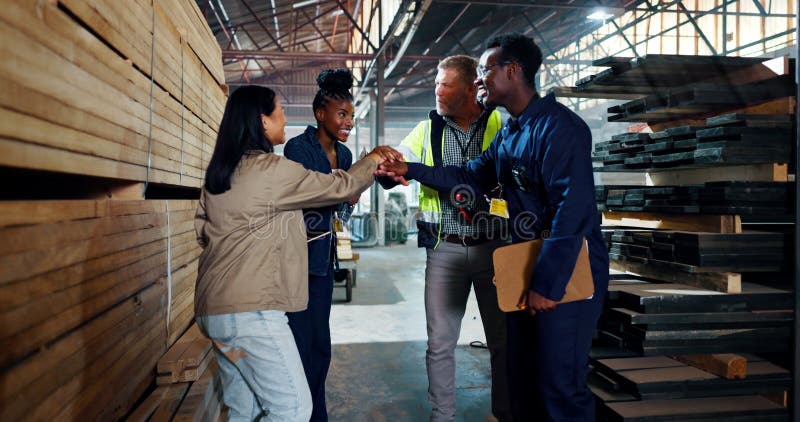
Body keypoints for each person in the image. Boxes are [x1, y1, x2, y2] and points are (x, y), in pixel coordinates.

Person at [376, 34, 609, 421]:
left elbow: (573, 211)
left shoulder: (559, 128)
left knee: (559, 386)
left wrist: (546, 284)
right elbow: (468, 175)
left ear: (512, 71)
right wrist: (410, 169)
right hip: (524, 264)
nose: (479, 80)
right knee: (523, 378)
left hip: (565, 273)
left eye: (485, 71)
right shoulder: (511, 133)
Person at [194, 85, 401, 422]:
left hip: (213, 310)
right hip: (253, 311)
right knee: (293, 409)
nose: (285, 119)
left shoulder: (219, 174)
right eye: (280, 112)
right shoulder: (270, 169)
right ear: (263, 121)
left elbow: (203, 233)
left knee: (244, 411)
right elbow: (339, 187)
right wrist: (374, 158)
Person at [379, 55, 510, 422]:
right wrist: (385, 169)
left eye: (445, 84)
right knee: (439, 343)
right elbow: (397, 165)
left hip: (494, 250)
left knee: (503, 342)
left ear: (470, 89)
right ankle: (442, 417)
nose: (436, 90)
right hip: (444, 249)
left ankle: (505, 414)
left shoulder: (500, 124)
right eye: (436, 83)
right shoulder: (427, 130)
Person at [282, 68, 358, 422]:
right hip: (298, 260)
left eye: (351, 116)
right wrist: (344, 191)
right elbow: (307, 195)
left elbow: (342, 203)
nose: (348, 122)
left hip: (324, 261)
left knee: (321, 345)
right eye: (342, 114)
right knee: (301, 344)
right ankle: (302, 413)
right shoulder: (298, 148)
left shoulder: (345, 155)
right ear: (320, 113)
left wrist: (348, 200)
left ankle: (316, 413)